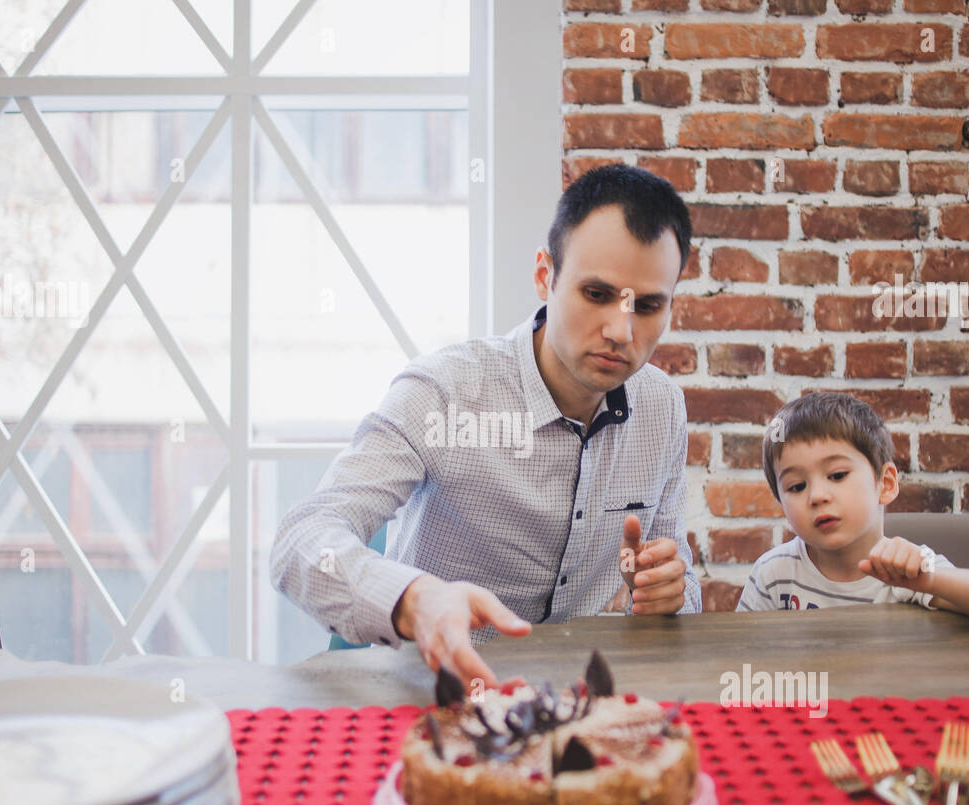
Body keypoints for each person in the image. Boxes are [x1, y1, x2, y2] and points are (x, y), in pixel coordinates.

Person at [270, 163, 703, 688]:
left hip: (573, 703)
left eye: (649, 305)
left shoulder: (662, 409)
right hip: (427, 691)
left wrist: (669, 594)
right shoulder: (444, 391)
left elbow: (673, 583)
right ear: (546, 276)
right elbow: (300, 541)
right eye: (596, 294)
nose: (620, 330)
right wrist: (414, 601)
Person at [736, 391, 969, 625]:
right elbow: (741, 652)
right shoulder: (773, 574)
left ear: (885, 483)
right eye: (796, 486)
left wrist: (929, 582)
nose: (817, 496)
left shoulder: (907, 569)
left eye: (837, 475)